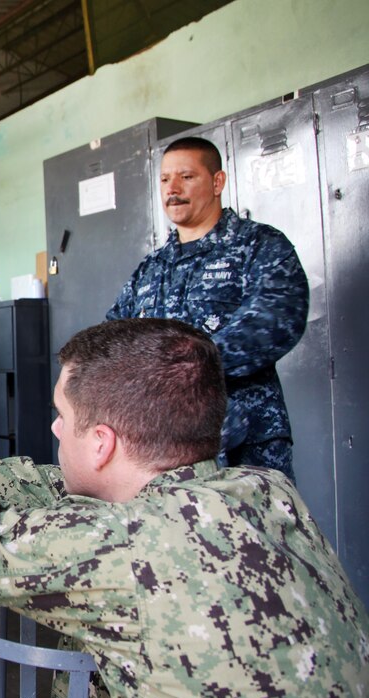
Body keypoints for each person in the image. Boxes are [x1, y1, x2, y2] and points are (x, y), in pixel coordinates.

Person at [0, 318, 368, 698]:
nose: (54, 426)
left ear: (101, 443)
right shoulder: (265, 489)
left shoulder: (129, 550)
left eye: (61, 414)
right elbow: (58, 486)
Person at [107, 136, 308, 480]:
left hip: (244, 443)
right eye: (166, 179)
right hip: (164, 448)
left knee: (251, 533)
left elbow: (275, 320)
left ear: (217, 182)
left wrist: (180, 368)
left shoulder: (258, 245)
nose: (173, 188)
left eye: (186, 177)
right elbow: (114, 337)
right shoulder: (152, 268)